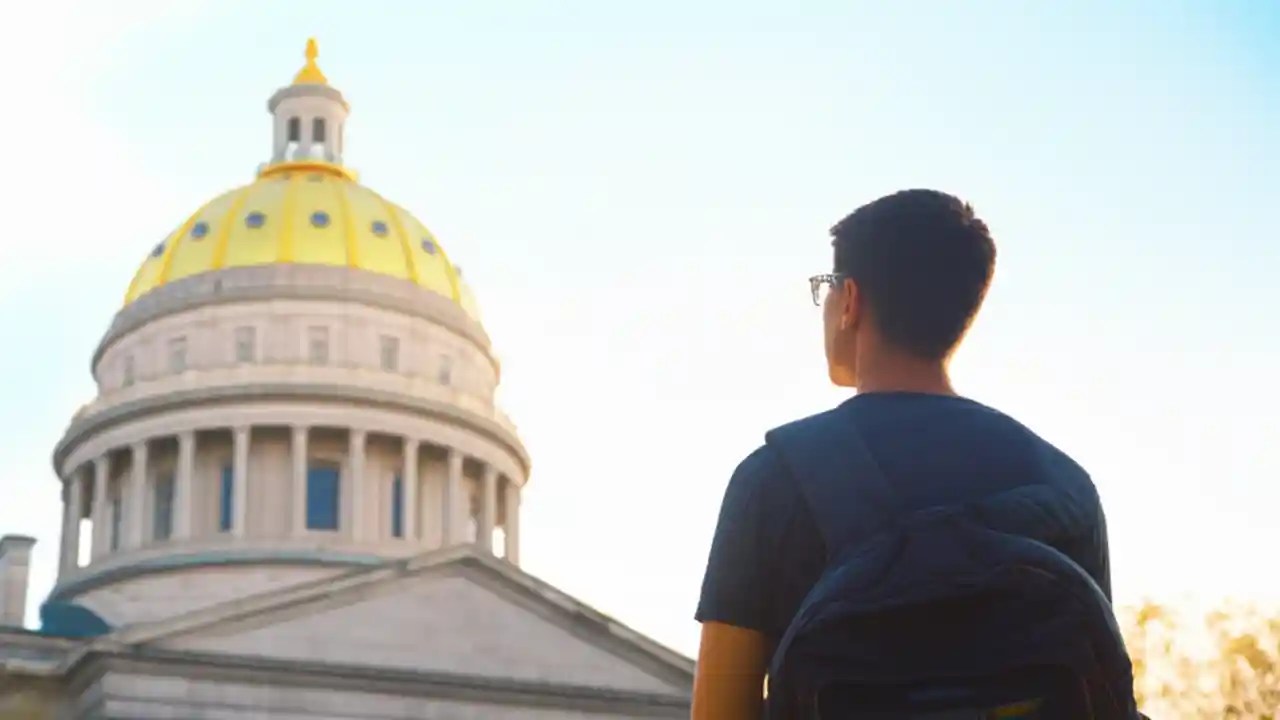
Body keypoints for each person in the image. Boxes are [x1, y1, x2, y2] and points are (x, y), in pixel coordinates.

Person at [690, 189, 1112, 719]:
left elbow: (719, 715)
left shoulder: (774, 478)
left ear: (850, 302)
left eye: (827, 289)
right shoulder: (1065, 486)